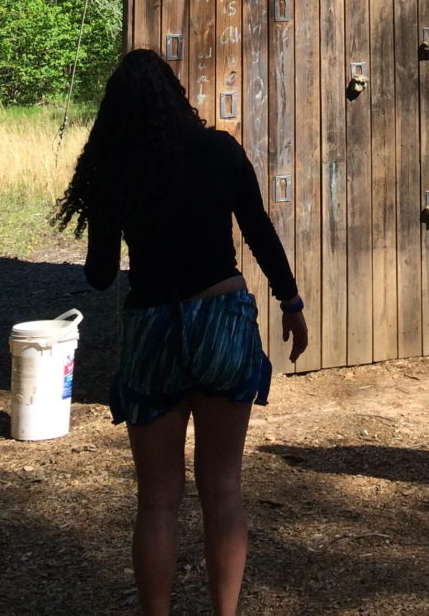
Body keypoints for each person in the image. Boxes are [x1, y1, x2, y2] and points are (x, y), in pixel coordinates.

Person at [55, 51, 308, 616]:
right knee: (223, 492)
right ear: (176, 96)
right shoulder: (218, 150)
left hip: (152, 330)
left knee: (158, 504)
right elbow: (259, 230)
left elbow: (99, 277)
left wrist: (110, 218)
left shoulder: (115, 168)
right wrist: (290, 302)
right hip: (222, 320)